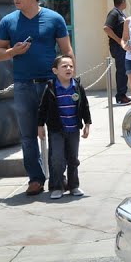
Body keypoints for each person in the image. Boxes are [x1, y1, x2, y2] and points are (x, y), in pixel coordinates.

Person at [0, 0, 73, 196]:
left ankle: (59, 177)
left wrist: (68, 80)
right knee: (28, 136)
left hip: (51, 85)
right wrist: (13, 52)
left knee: (56, 132)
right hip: (23, 85)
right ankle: (35, 179)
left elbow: (67, 51)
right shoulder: (7, 21)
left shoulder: (54, 18)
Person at [36, 55, 92, 200]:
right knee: (57, 159)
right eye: (64, 66)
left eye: (71, 66)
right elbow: (43, 108)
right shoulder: (50, 88)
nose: (69, 68)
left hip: (73, 129)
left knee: (73, 159)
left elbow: (85, 106)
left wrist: (87, 124)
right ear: (55, 71)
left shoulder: (78, 87)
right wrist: (40, 125)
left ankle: (73, 185)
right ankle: (57, 186)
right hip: (56, 130)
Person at [102, 0, 130, 104]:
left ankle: (123, 94)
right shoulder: (114, 13)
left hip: (122, 47)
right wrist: (119, 40)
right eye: (125, 1)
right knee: (121, 70)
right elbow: (106, 28)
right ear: (122, 1)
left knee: (124, 70)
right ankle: (120, 97)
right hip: (117, 47)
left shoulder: (120, 13)